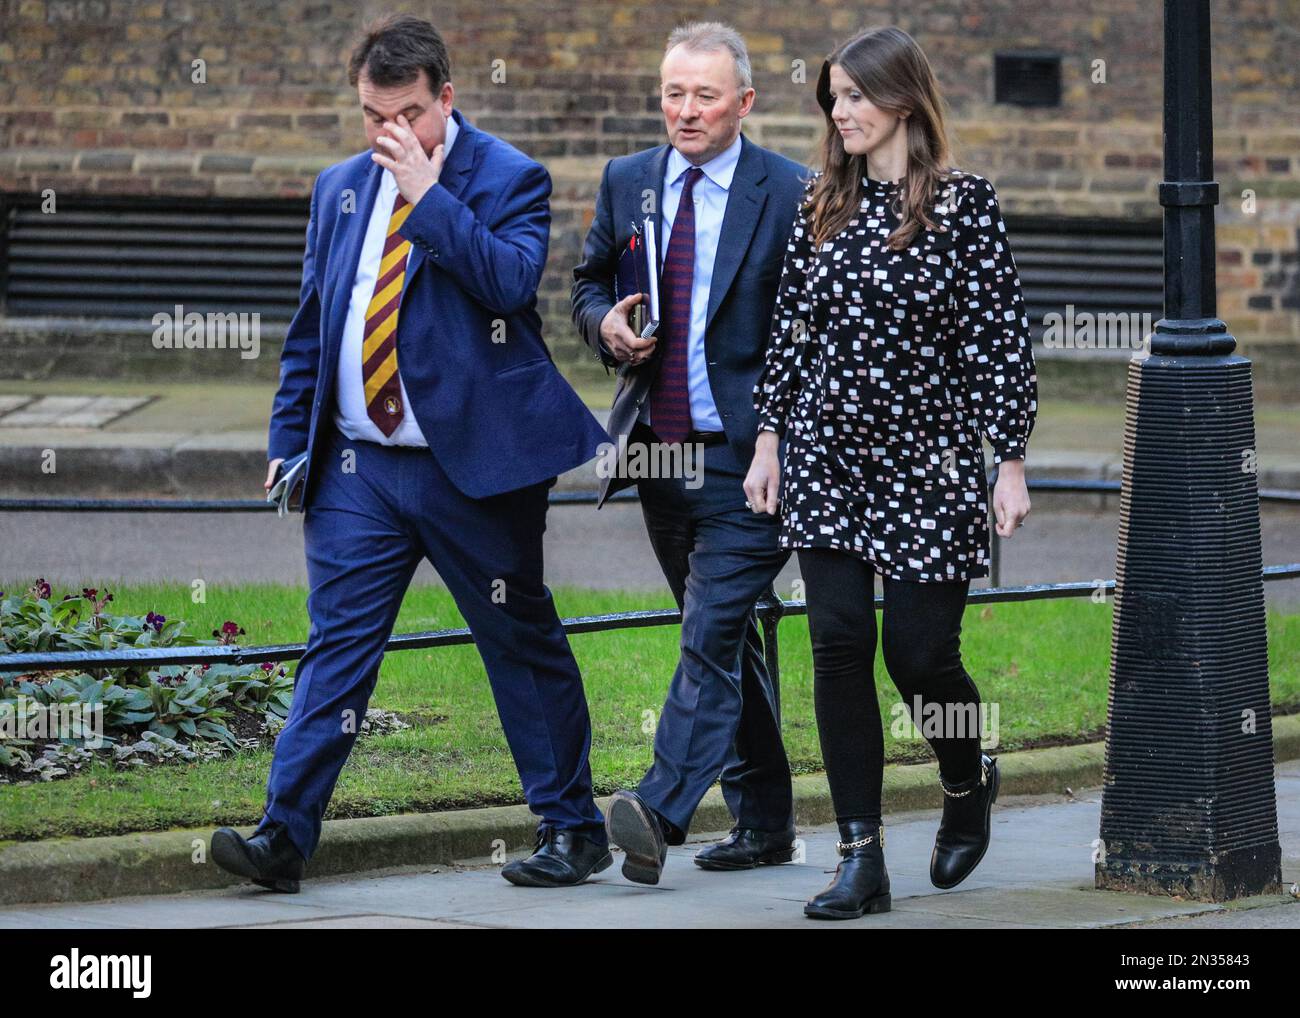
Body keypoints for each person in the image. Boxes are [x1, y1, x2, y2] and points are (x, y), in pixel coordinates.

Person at [211, 13, 613, 893]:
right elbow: (313, 328)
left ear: (447, 99)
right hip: (359, 467)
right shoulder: (338, 188)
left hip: (473, 466)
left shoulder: (508, 177)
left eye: (407, 114)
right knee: (338, 649)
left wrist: (431, 197)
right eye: (370, 115)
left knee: (517, 639)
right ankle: (283, 838)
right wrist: (289, 442)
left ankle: (572, 828)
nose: (389, 133)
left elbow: (508, 283)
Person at [746, 26, 1037, 920]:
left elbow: (997, 339)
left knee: (920, 657)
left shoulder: (964, 204)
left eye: (855, 97)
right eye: (833, 99)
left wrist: (1010, 460)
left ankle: (964, 777)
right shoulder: (817, 204)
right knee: (836, 647)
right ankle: (860, 857)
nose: (841, 113)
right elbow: (793, 331)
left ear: (903, 100)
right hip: (829, 456)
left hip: (931, 461)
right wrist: (769, 442)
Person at [571, 22, 811, 885]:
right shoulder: (629, 179)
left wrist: (785, 440)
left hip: (754, 461)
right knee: (727, 638)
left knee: (709, 633)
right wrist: (602, 323)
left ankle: (656, 809)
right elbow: (588, 281)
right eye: (674, 92)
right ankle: (766, 823)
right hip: (658, 455)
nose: (685, 110)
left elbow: (811, 336)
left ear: (744, 102)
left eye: (705, 94)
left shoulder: (791, 192)